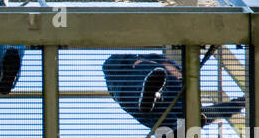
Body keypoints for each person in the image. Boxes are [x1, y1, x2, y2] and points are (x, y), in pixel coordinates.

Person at [102, 52, 246, 131]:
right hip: (132, 87)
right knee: (153, 76)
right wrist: (136, 62)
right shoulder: (147, 63)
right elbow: (110, 65)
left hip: (157, 111)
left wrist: (242, 102)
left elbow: (215, 111)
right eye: (178, 73)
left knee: (179, 118)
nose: (179, 77)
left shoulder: (181, 94)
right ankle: (149, 95)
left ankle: (179, 125)